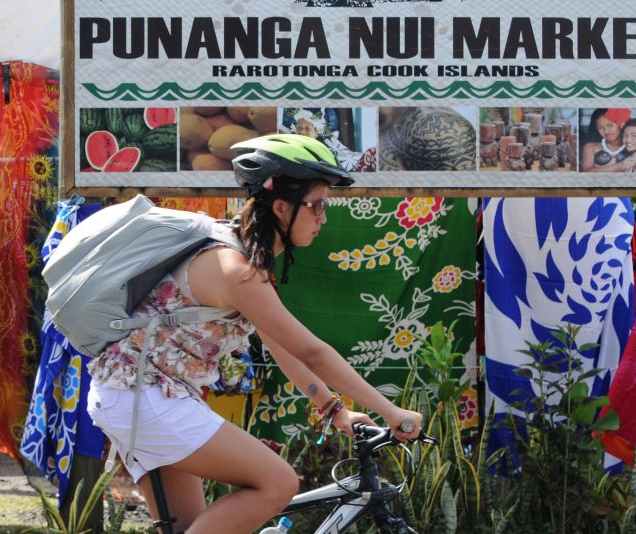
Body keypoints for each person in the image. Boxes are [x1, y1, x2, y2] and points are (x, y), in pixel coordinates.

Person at [85, 134, 423, 533]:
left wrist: (335, 410)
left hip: (140, 398)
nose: (323, 217)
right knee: (278, 482)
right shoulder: (235, 268)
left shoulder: (242, 257)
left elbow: (282, 348)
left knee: (192, 526)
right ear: (281, 206)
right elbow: (312, 352)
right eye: (316, 205)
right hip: (147, 399)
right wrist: (392, 412)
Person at [580, 108, 633, 173]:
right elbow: (586, 172)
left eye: (610, 125)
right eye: (600, 128)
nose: (606, 131)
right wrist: (619, 166)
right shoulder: (591, 147)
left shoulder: (633, 145)